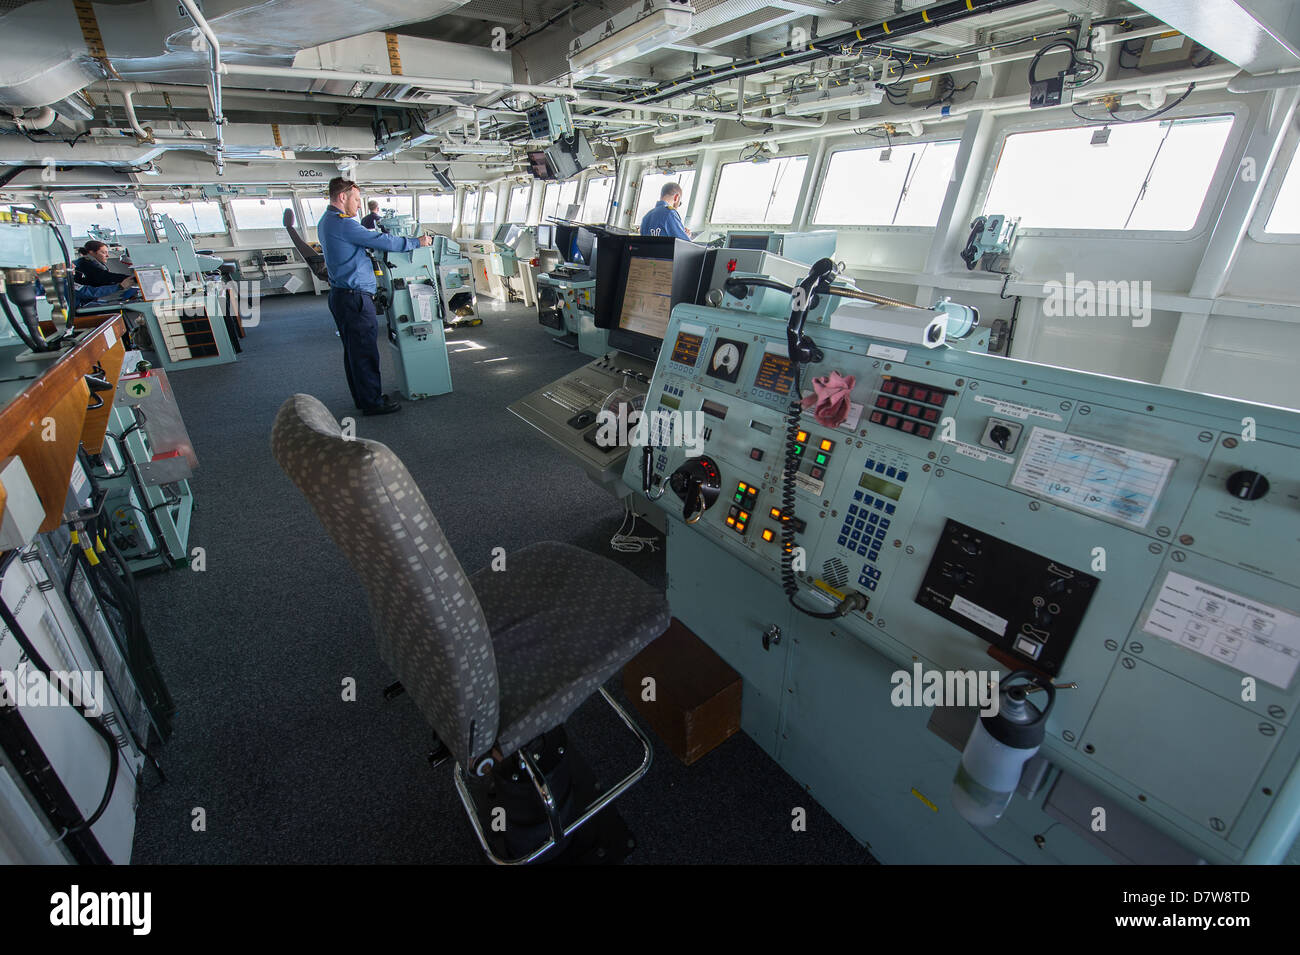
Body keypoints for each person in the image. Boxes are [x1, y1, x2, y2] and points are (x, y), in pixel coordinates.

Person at [317, 177, 432, 416]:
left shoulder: (326, 221)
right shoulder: (343, 223)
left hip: (342, 295)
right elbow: (381, 240)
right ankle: (372, 402)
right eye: (357, 199)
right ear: (343, 197)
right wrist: (416, 242)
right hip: (355, 298)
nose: (359, 205)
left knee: (353, 352)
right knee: (364, 351)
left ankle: (364, 397)